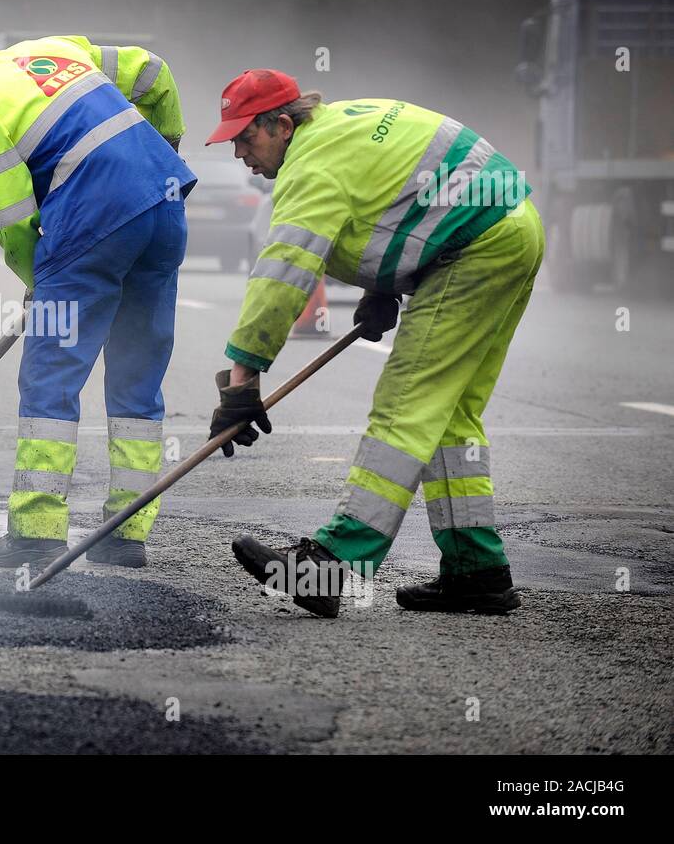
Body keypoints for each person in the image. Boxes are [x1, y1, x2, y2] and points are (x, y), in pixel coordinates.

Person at [206, 69, 543, 617]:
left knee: (404, 407)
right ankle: (477, 572)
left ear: (283, 125)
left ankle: (330, 566)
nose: (240, 152)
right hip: (512, 226)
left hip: (476, 246)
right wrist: (387, 284)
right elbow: (397, 202)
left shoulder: (311, 165)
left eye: (247, 137)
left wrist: (242, 379)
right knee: (449, 412)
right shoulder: (343, 123)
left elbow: (284, 274)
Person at [0, 24, 195, 568]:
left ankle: (37, 531)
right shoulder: (54, 50)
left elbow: (8, 216)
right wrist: (165, 146)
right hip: (163, 204)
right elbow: (155, 72)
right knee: (137, 379)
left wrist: (39, 279)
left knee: (50, 381)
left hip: (92, 220)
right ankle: (125, 536)